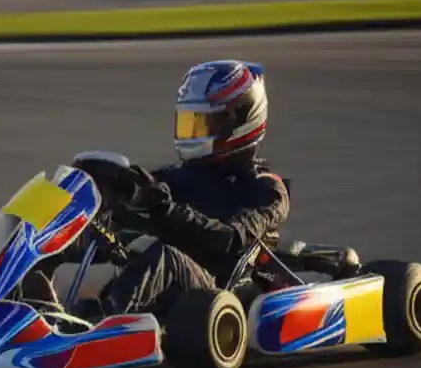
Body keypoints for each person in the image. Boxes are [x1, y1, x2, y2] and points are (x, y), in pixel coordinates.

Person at [69, 59, 290, 319]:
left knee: (166, 257)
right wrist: (107, 189)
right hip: (164, 287)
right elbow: (144, 195)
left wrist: (167, 210)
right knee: (79, 239)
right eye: (188, 123)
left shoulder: (265, 188)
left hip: (214, 292)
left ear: (241, 120)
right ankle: (27, 301)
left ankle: (98, 324)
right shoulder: (175, 176)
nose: (192, 133)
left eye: (203, 123)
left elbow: (230, 239)